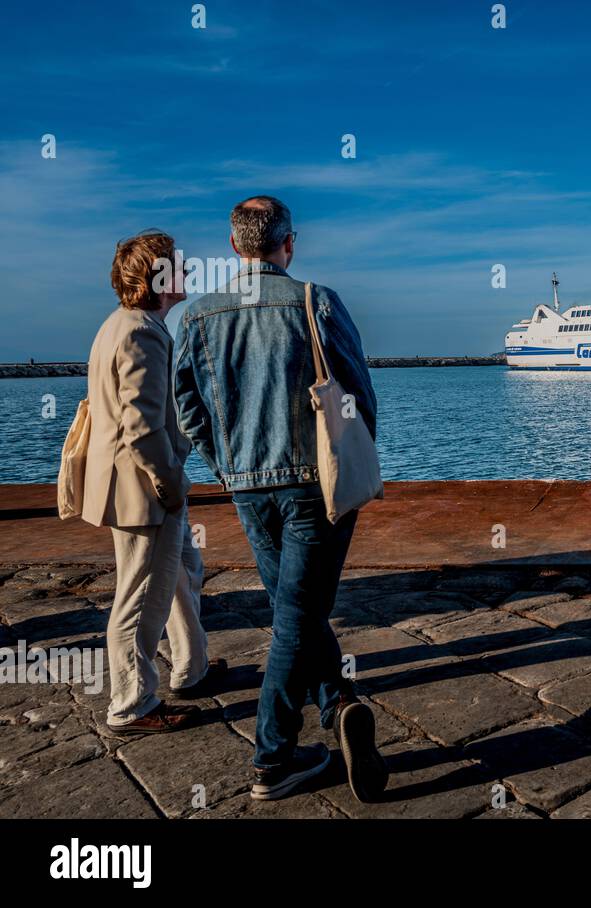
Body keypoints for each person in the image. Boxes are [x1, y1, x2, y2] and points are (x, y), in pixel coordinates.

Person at [173, 196, 387, 802]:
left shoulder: (195, 316)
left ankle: (336, 701)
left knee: (295, 606)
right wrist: (355, 454)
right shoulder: (315, 301)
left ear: (234, 247)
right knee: (297, 613)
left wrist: (224, 464)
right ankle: (272, 759)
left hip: (246, 485)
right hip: (312, 484)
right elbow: (357, 395)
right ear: (288, 243)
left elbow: (189, 409)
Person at [83, 230, 222, 736]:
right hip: (143, 492)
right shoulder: (142, 332)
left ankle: (191, 666)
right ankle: (130, 704)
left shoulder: (119, 325)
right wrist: (170, 485)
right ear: (157, 276)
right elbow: (141, 427)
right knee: (141, 597)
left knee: (184, 573)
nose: (186, 271)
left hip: (128, 485)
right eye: (179, 265)